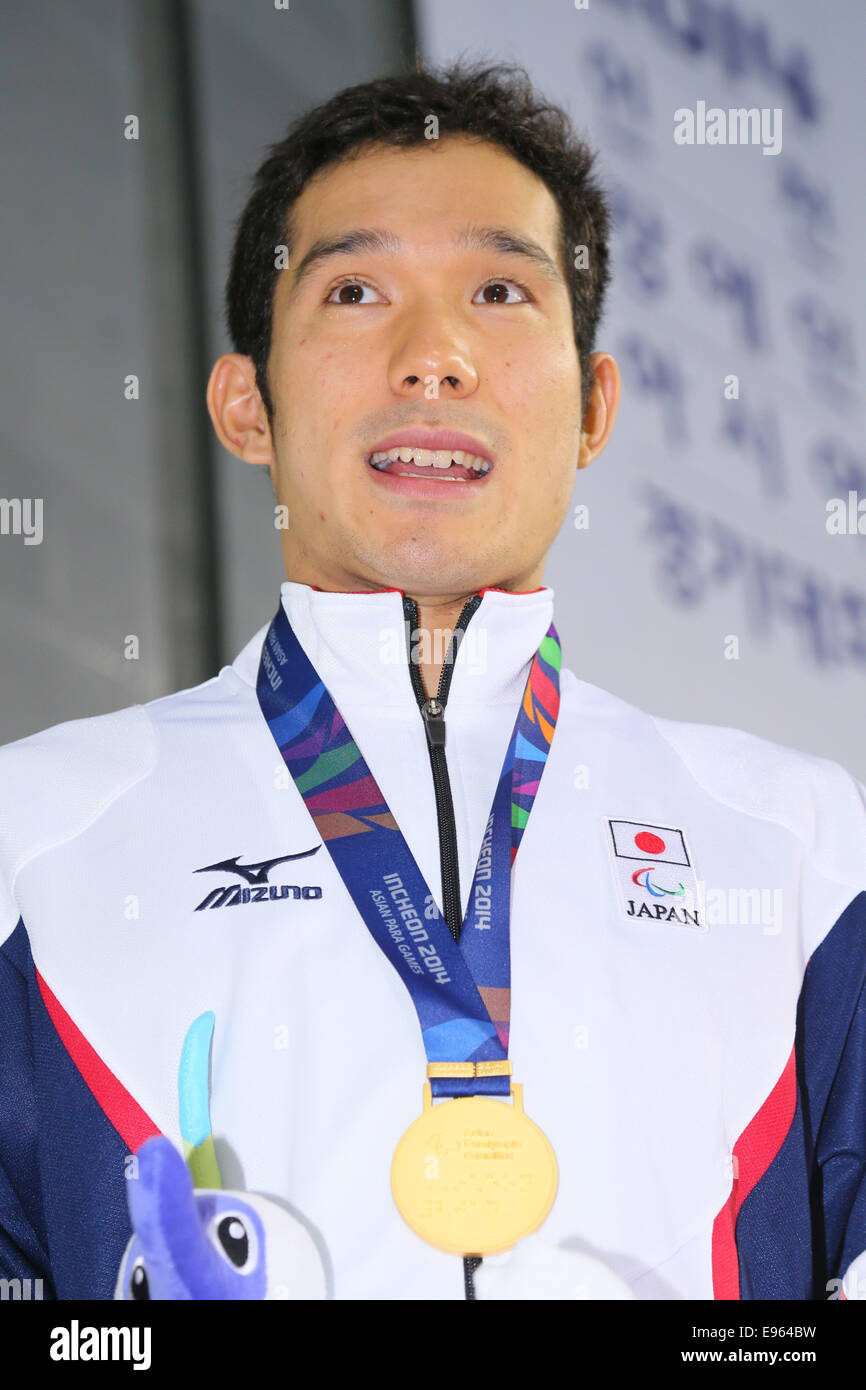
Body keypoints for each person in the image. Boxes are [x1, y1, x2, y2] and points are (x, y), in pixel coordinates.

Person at [1, 60, 864, 1303]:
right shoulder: (35, 835)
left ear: (591, 411)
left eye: (501, 290)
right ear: (247, 404)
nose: (435, 356)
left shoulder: (800, 851)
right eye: (354, 289)